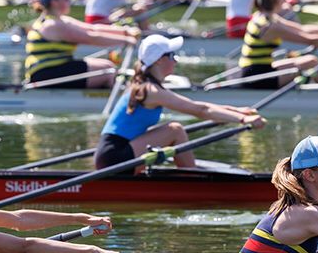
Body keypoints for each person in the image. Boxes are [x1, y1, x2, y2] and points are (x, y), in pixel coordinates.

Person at [94, 35, 266, 170]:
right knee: (175, 130)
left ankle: (189, 172)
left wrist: (238, 112)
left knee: (175, 130)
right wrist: (243, 120)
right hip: (115, 156)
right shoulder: (151, 91)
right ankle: (193, 179)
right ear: (160, 60)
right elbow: (200, 110)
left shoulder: (146, 85)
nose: (175, 60)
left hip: (113, 154)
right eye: (172, 55)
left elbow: (197, 105)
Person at [25, 0, 139, 89]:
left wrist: (126, 32)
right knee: (108, 71)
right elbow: (91, 37)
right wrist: (126, 41)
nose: (69, 1)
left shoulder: (59, 20)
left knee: (107, 66)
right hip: (45, 74)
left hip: (55, 67)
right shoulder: (53, 25)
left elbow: (93, 28)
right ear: (54, 2)